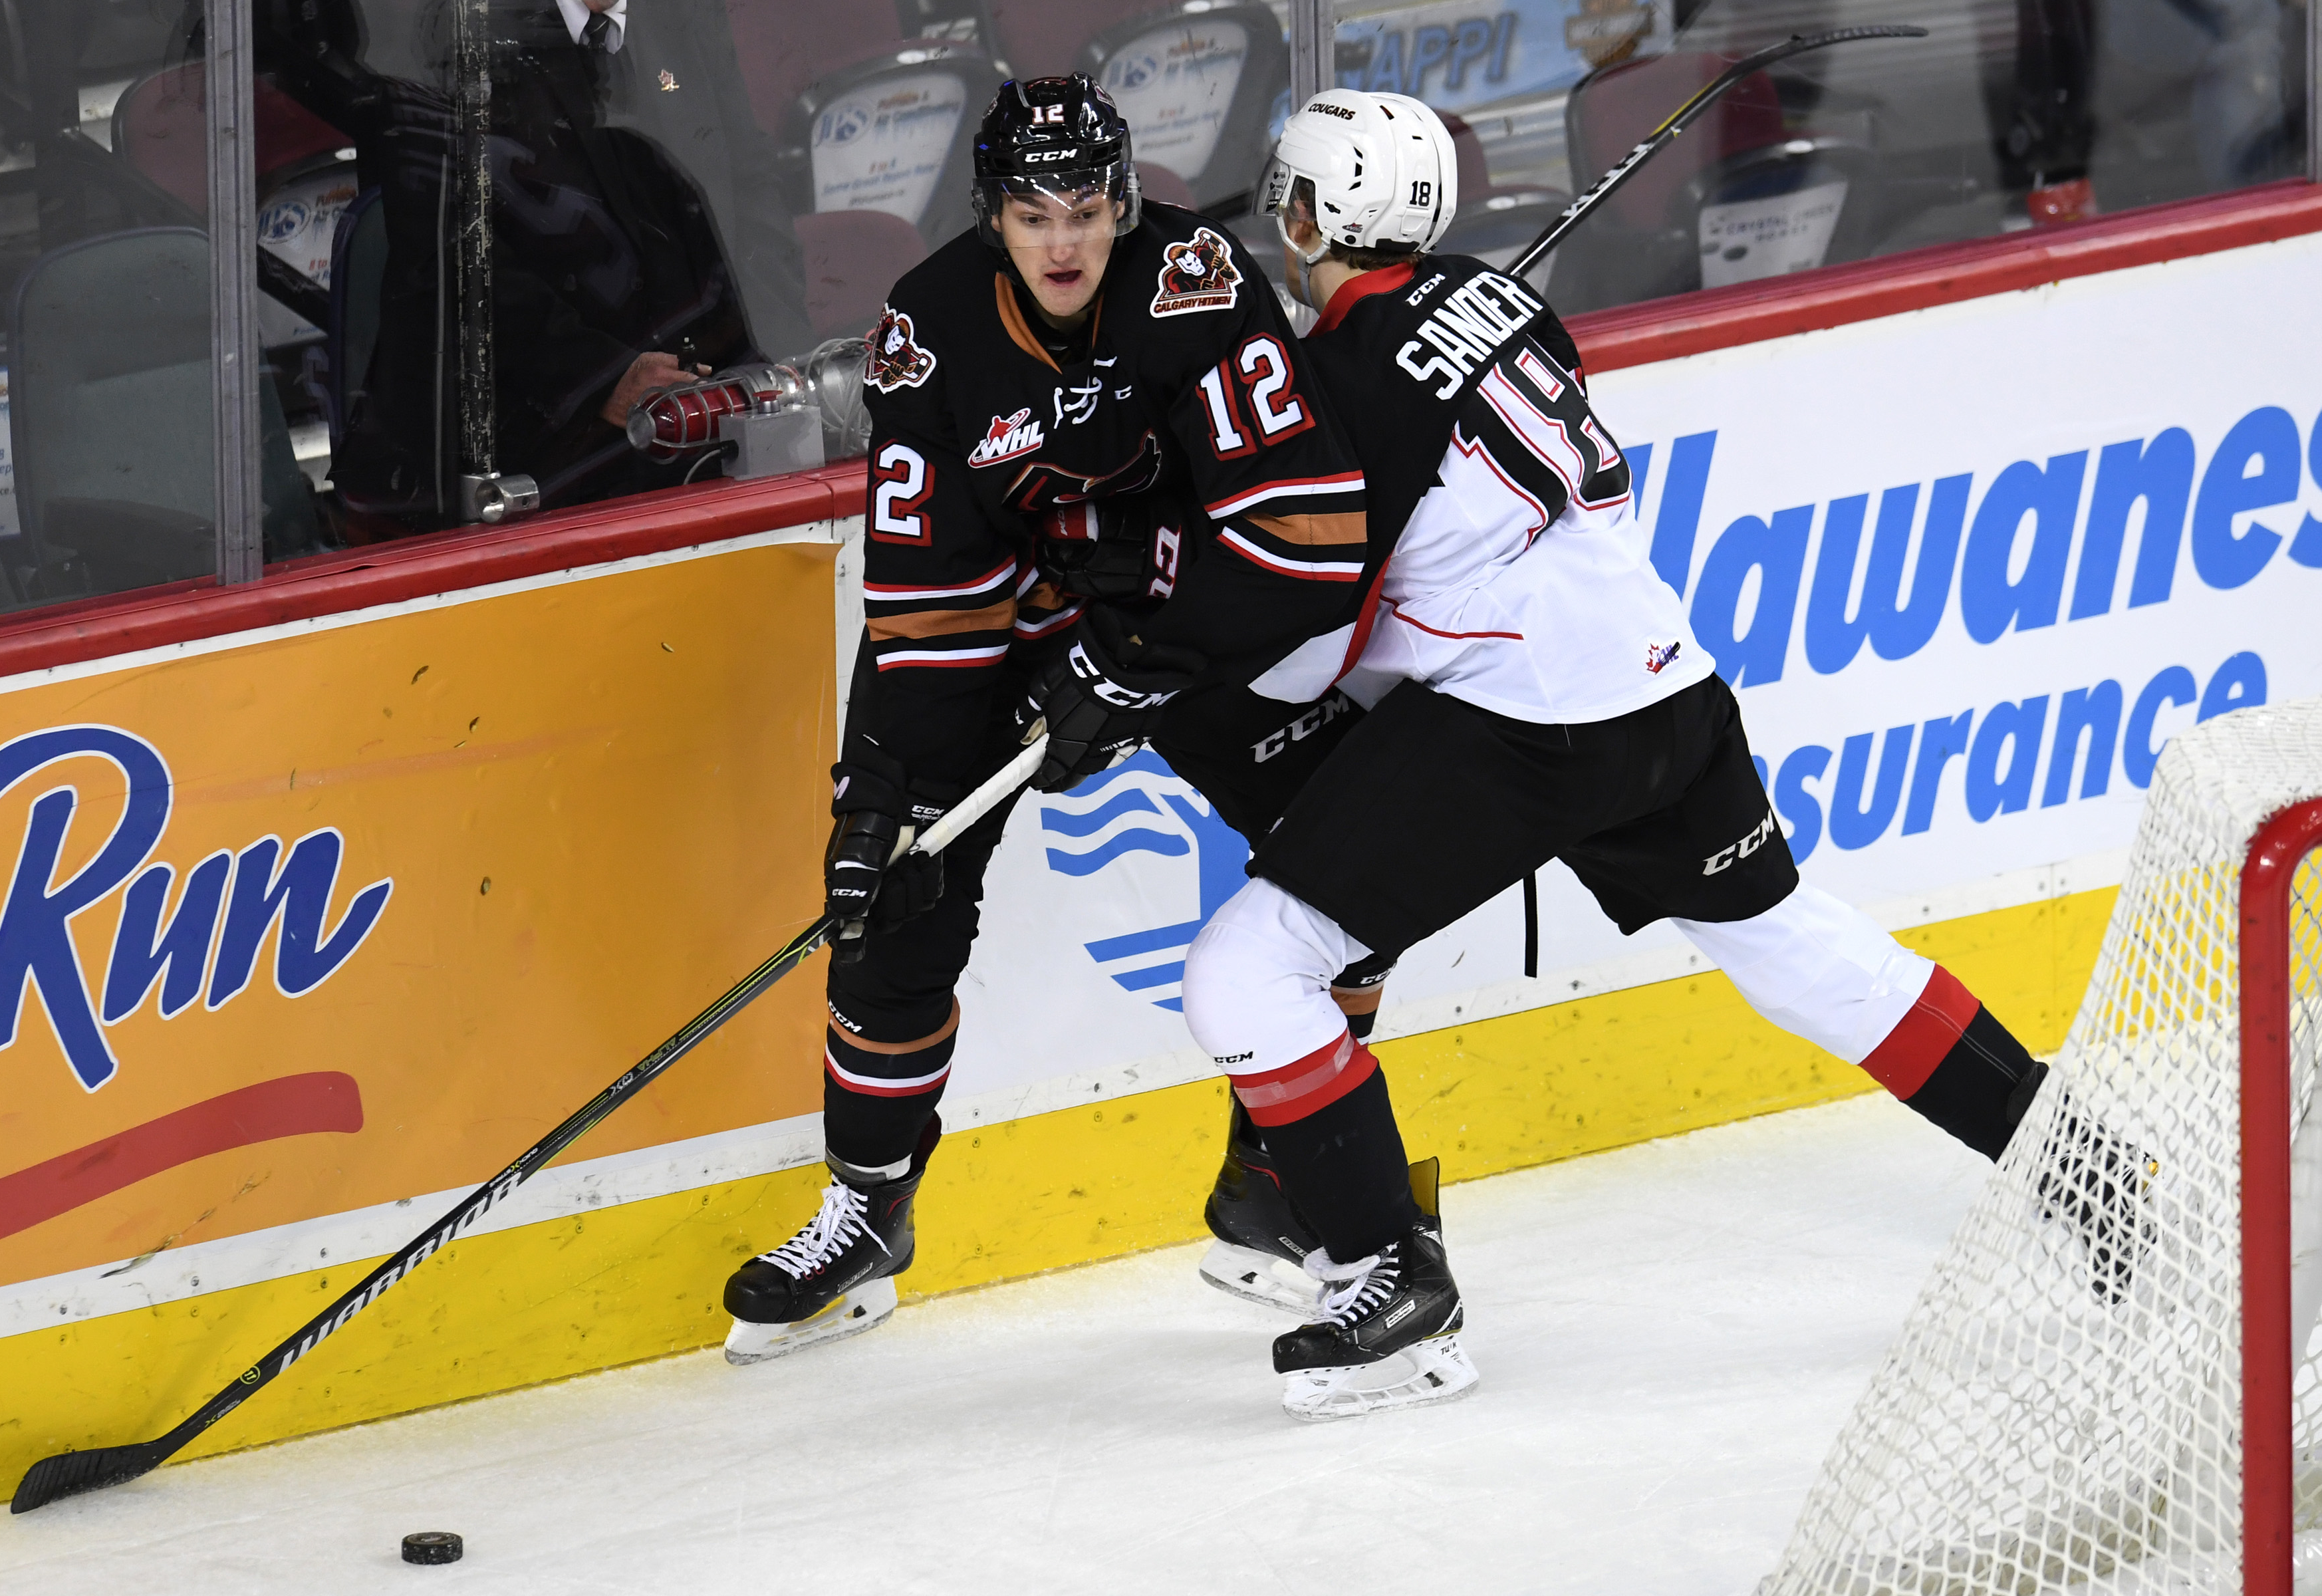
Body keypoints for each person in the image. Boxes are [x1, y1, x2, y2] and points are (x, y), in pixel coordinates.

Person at [1174, 90, 2145, 1421]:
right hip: (1665, 690)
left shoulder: (1341, 387)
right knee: (1799, 949)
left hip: (1526, 727)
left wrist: (1160, 669)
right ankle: (2085, 1167)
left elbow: (1309, 641)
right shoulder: (1502, 306)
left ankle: (1388, 1286)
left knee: (1246, 971)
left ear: (1304, 217)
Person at [719, 75, 1380, 1363]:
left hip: (1178, 606)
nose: (1066, 243)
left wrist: (1144, 661)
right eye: (1034, 217)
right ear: (992, 220)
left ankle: (1278, 1178)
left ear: (1125, 204)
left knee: (1348, 846)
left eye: (1088, 210)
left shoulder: (1189, 279)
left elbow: (1301, 541)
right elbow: (926, 596)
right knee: (893, 890)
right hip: (1013, 620)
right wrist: (885, 792)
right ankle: (867, 1212)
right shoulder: (931, 329)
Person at [260, 0, 811, 527]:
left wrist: (776, 368)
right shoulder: (457, 24)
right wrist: (604, 379)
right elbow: (449, 249)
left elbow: (747, 178)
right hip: (522, 444)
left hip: (694, 418)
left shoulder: (685, 12)